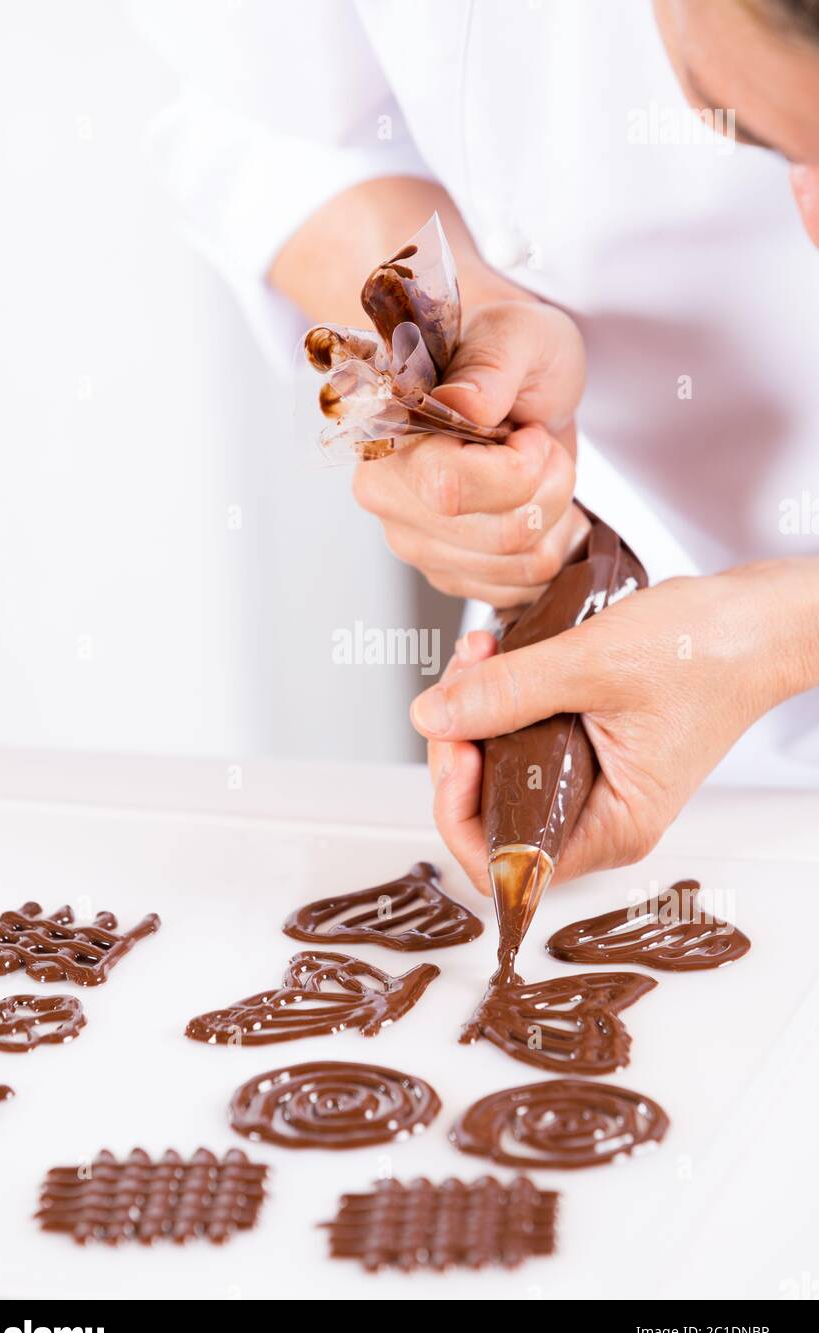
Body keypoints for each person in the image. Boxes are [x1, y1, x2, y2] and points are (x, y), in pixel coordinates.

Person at [136, 0, 819, 895]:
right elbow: (271, 130)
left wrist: (770, 638)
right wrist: (459, 319)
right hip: (596, 650)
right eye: (773, 145)